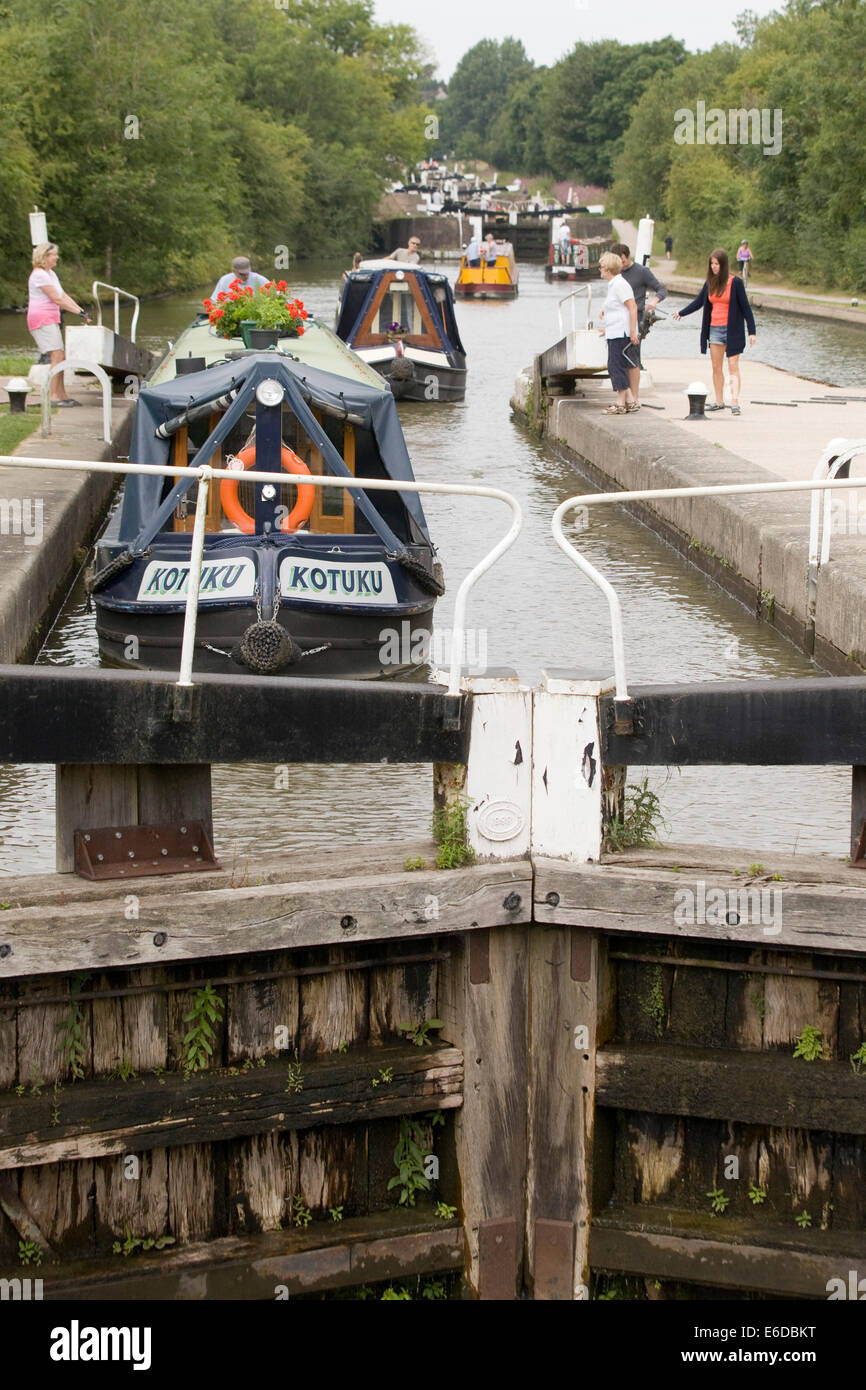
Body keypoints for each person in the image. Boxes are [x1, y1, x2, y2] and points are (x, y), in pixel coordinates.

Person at [672, 247, 756, 415]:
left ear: (723, 265)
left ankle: (734, 402)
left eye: (717, 264)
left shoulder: (735, 283)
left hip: (733, 330)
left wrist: (752, 331)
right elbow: (699, 302)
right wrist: (681, 313)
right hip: (715, 329)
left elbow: (746, 309)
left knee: (733, 365)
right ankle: (719, 401)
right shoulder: (710, 283)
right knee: (716, 367)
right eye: (711, 264)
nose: (714, 267)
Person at [27, 243, 92, 407]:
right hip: (41, 318)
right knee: (57, 357)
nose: (57, 257)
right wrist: (78, 313)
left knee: (61, 356)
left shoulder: (50, 274)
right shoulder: (39, 275)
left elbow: (63, 295)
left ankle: (62, 394)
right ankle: (53, 396)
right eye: (53, 255)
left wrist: (81, 310)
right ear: (44, 257)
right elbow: (56, 299)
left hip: (50, 318)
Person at [610, 242, 668, 409]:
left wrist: (654, 301)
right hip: (619, 320)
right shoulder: (616, 274)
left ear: (626, 257)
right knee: (618, 358)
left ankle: (634, 397)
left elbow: (661, 289)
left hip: (637, 318)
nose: (619, 265)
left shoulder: (642, 272)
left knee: (632, 358)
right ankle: (624, 396)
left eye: (621, 261)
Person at [597, 251, 639, 415]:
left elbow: (632, 306)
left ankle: (620, 402)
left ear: (608, 269)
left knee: (616, 366)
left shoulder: (619, 284)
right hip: (614, 331)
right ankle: (629, 400)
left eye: (601, 267)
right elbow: (617, 310)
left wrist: (632, 331)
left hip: (620, 333)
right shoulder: (614, 284)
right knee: (616, 365)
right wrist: (606, 328)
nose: (600, 270)